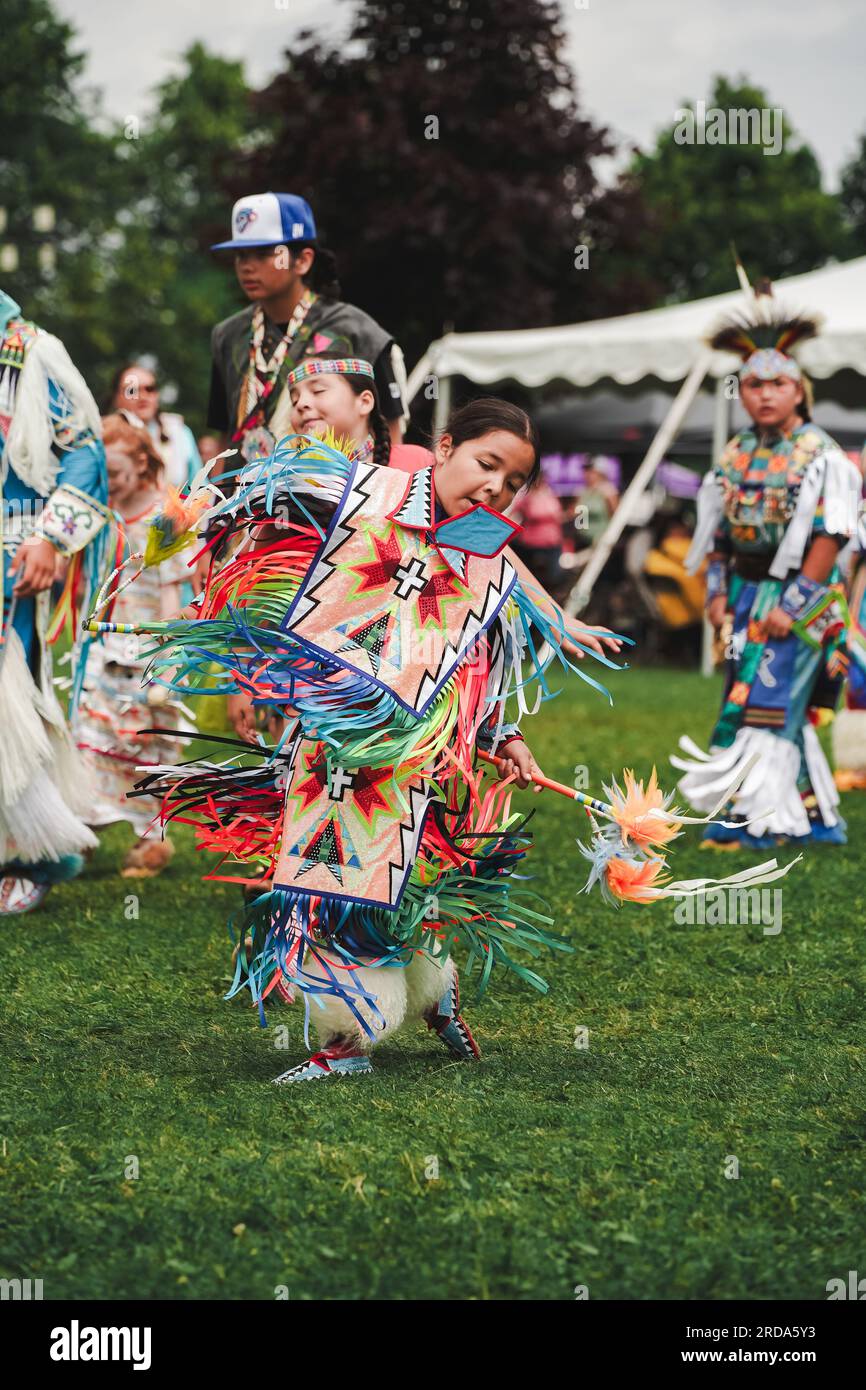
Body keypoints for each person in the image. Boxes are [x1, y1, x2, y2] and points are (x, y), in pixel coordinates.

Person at [126, 399, 699, 1083]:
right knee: (352, 879)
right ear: (446, 446)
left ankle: (349, 1041)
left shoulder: (487, 556)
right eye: (487, 464)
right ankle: (434, 991)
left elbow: (471, 661)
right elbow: (269, 494)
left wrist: (501, 733)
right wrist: (199, 514)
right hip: (325, 732)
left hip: (406, 752)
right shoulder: (368, 491)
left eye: (513, 481)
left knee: (358, 882)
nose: (496, 487)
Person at [672, 300, 861, 849]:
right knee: (752, 696)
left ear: (798, 389)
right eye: (754, 386)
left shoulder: (819, 454)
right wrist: (714, 596)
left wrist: (794, 602)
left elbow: (832, 534)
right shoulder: (734, 454)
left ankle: (758, 821)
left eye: (778, 384)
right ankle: (815, 817)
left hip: (802, 598)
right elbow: (717, 536)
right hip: (744, 594)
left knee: (769, 704)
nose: (765, 394)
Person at [0, 288, 109, 915]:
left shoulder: (33, 353)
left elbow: (83, 452)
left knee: (14, 701)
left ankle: (31, 851)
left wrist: (51, 538)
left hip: (16, 558)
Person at [206, 193, 408, 469]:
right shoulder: (227, 335)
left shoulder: (356, 330)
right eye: (241, 255)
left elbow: (392, 429)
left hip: (327, 498)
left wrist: (385, 501)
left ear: (303, 260)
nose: (247, 266)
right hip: (241, 500)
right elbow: (223, 434)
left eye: (265, 254)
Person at [75, 414, 190, 877]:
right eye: (104, 477)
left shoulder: (165, 516)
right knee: (92, 737)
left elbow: (170, 586)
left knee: (147, 745)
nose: (111, 485)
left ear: (142, 464)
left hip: (147, 649)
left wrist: (164, 651)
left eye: (118, 476)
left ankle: (150, 842)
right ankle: (85, 822)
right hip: (105, 646)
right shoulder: (106, 512)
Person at [107, 363, 200, 492]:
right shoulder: (105, 437)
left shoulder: (179, 432)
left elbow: (199, 490)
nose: (143, 396)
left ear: (157, 395)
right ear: (116, 397)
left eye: (149, 389)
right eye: (132, 390)